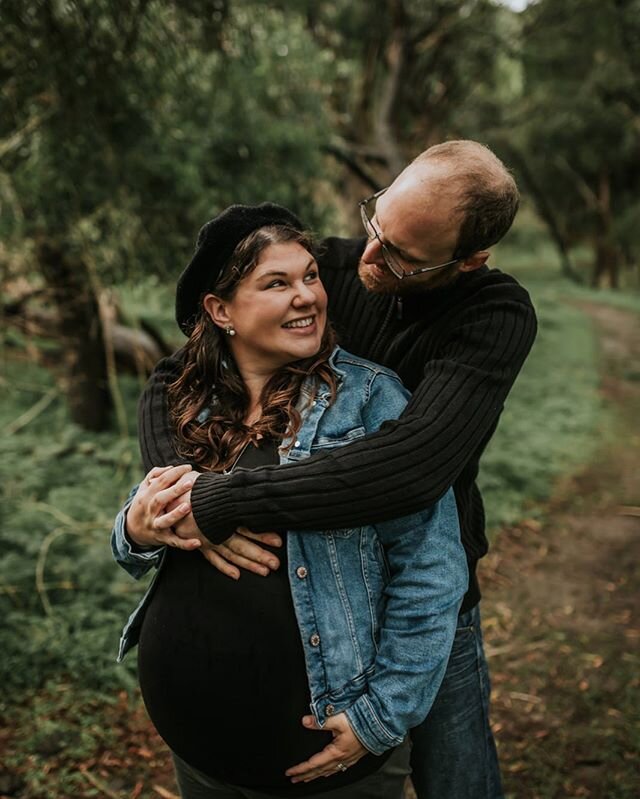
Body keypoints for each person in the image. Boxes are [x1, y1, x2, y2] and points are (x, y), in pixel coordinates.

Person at [137, 140, 538, 798]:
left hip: (422, 586)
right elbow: (176, 373)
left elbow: (412, 465)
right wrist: (182, 492)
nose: (370, 257)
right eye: (375, 222)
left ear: (469, 261)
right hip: (313, 570)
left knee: (457, 774)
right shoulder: (325, 268)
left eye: (404, 256)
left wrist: (229, 500)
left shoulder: (493, 314)